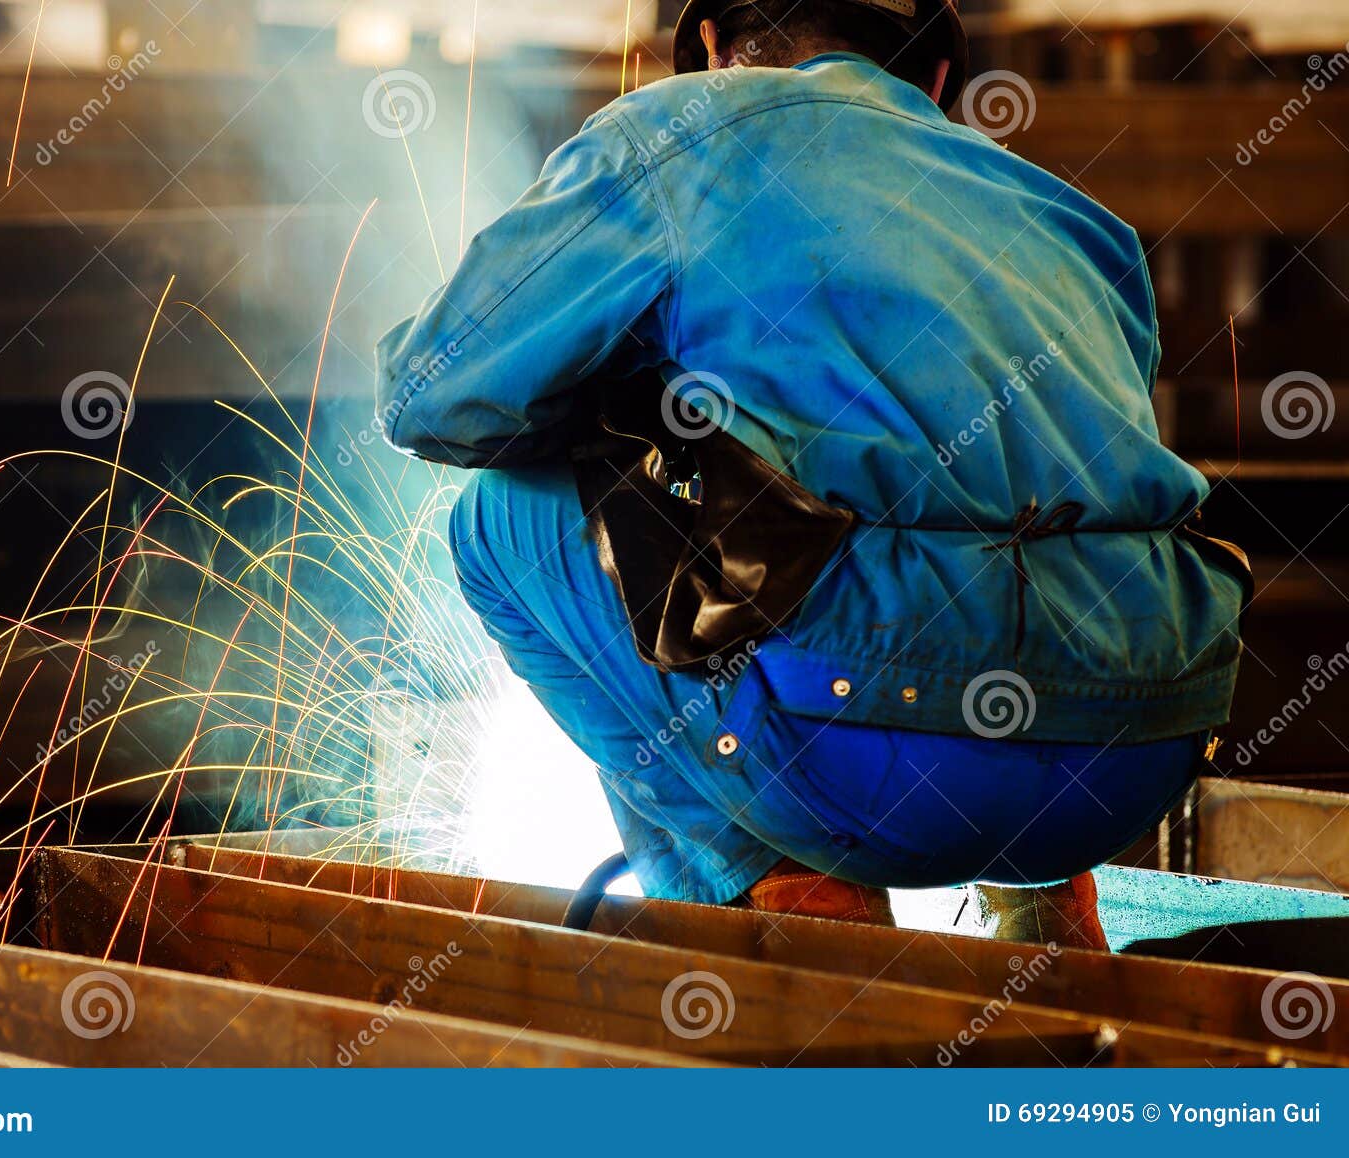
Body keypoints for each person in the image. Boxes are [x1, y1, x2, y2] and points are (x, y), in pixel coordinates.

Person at [374, 0, 1249, 950]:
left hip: (882, 756)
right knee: (1017, 543)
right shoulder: (1075, 219)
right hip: (1134, 755)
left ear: (712, 47)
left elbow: (431, 397)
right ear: (941, 79)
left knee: (505, 520)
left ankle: (791, 907)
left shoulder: (680, 132)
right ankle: (1046, 919)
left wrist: (608, 413)